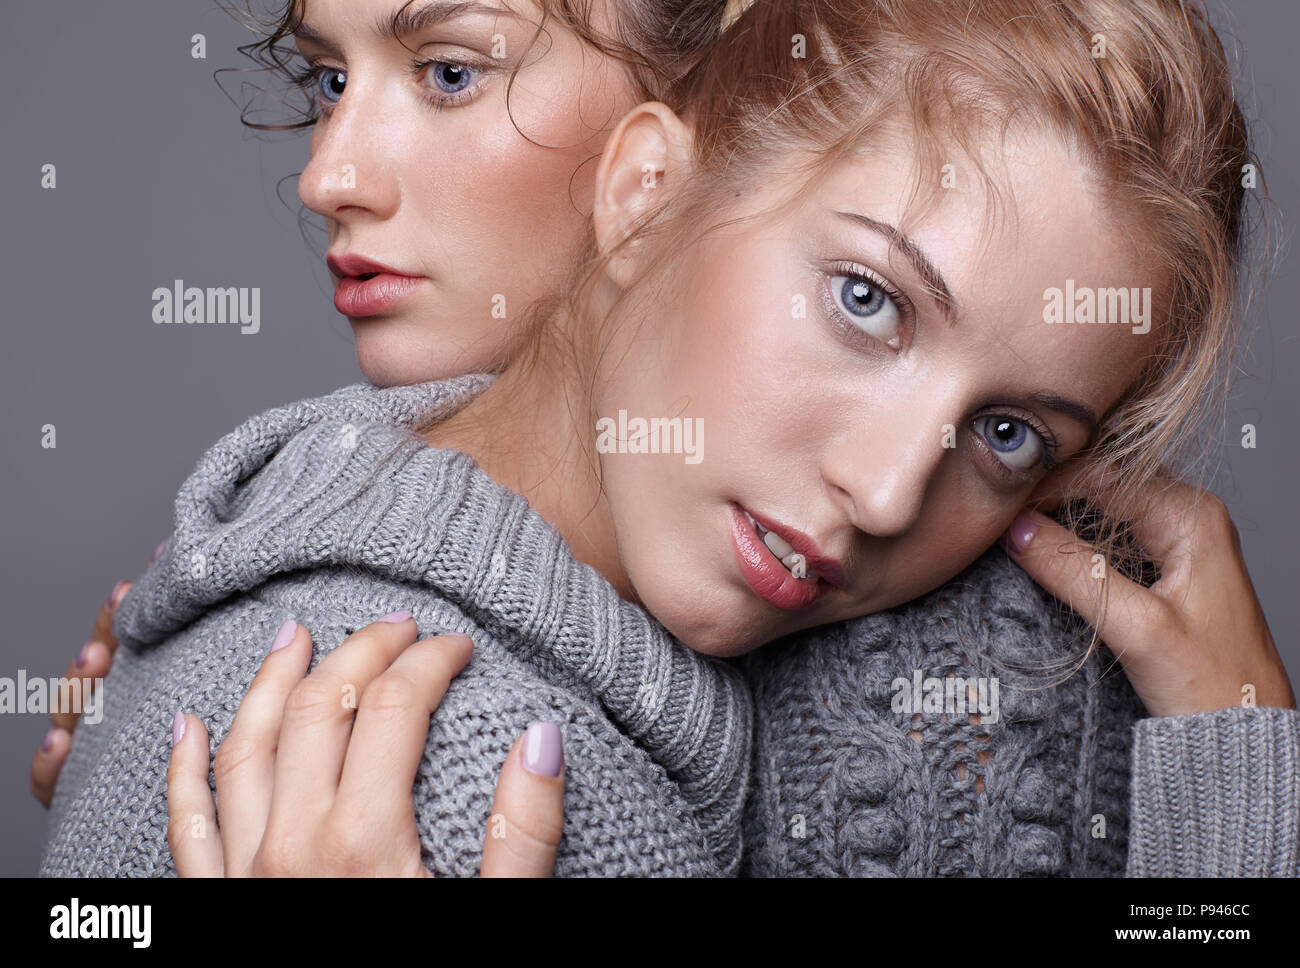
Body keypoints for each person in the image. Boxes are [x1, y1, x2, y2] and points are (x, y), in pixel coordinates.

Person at [41, 0, 1299, 877]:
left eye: (1008, 431)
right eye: (867, 301)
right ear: (646, 191)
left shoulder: (328, 509)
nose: (880, 490)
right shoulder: (488, 772)